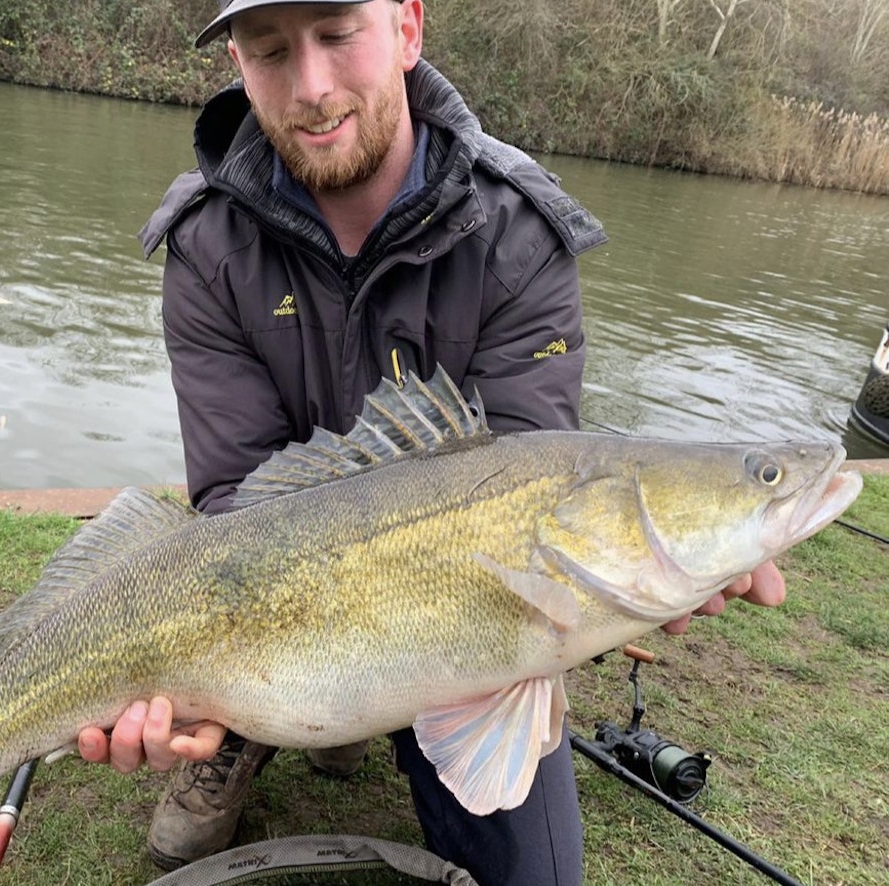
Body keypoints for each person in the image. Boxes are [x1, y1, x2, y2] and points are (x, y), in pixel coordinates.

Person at [77, 1, 788, 883]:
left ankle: (364, 711)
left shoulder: (522, 231)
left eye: (339, 35)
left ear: (409, 29)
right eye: (269, 51)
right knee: (219, 635)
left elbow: (535, 481)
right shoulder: (205, 242)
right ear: (238, 61)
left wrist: (626, 596)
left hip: (470, 610)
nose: (312, 87)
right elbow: (232, 498)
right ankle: (261, 718)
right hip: (269, 598)